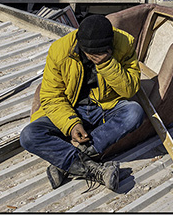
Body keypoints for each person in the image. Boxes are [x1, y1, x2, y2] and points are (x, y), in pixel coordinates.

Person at [20, 15, 145, 191]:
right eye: (91, 54)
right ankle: (95, 170)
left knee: (134, 112)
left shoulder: (124, 44)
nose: (95, 57)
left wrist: (107, 63)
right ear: (80, 45)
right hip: (70, 107)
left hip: (104, 107)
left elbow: (129, 90)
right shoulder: (59, 50)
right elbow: (51, 97)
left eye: (101, 52)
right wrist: (71, 125)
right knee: (29, 135)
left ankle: (66, 161)